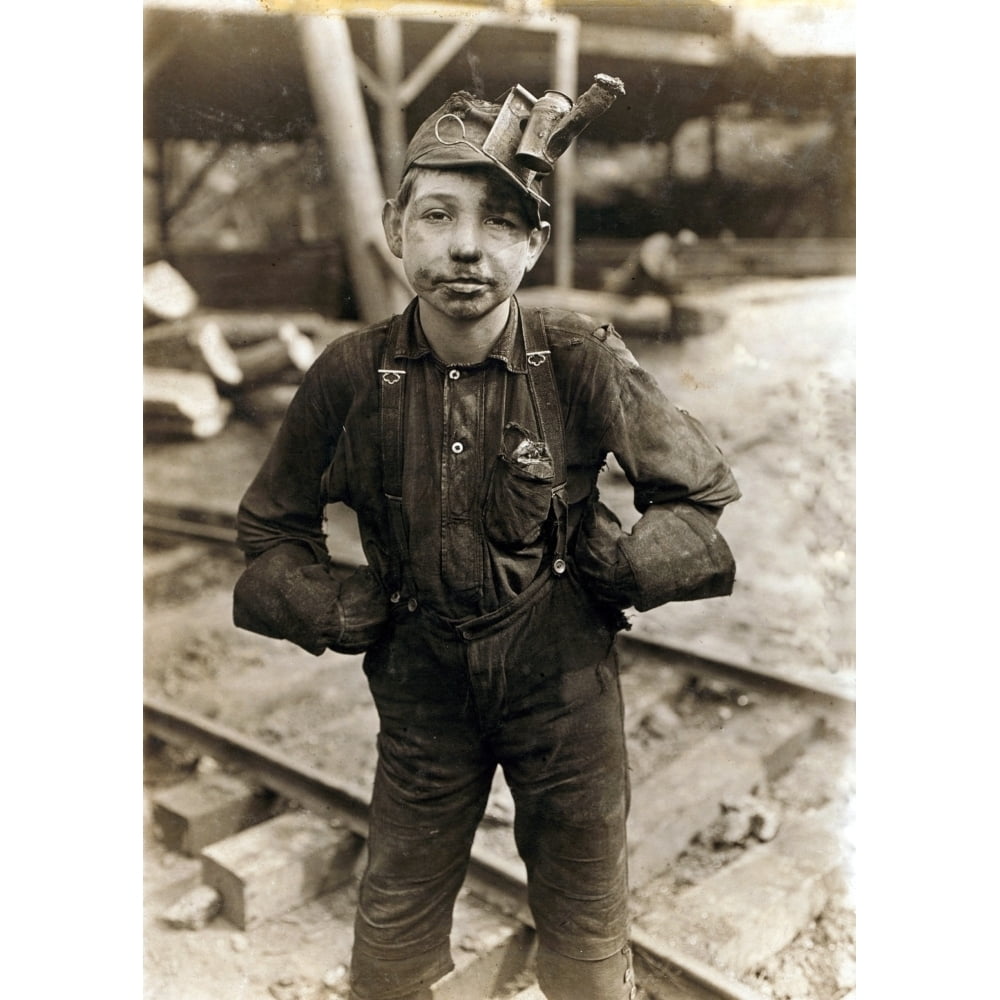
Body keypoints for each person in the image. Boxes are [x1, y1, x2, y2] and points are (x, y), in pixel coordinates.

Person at [233, 79, 741, 1000]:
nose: (467, 245)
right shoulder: (349, 376)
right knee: (391, 940)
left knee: (586, 939)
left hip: (565, 689)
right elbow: (268, 533)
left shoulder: (580, 356)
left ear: (535, 243)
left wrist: (632, 563)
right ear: (395, 229)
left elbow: (699, 498)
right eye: (438, 214)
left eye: (502, 222)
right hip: (422, 698)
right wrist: (330, 603)